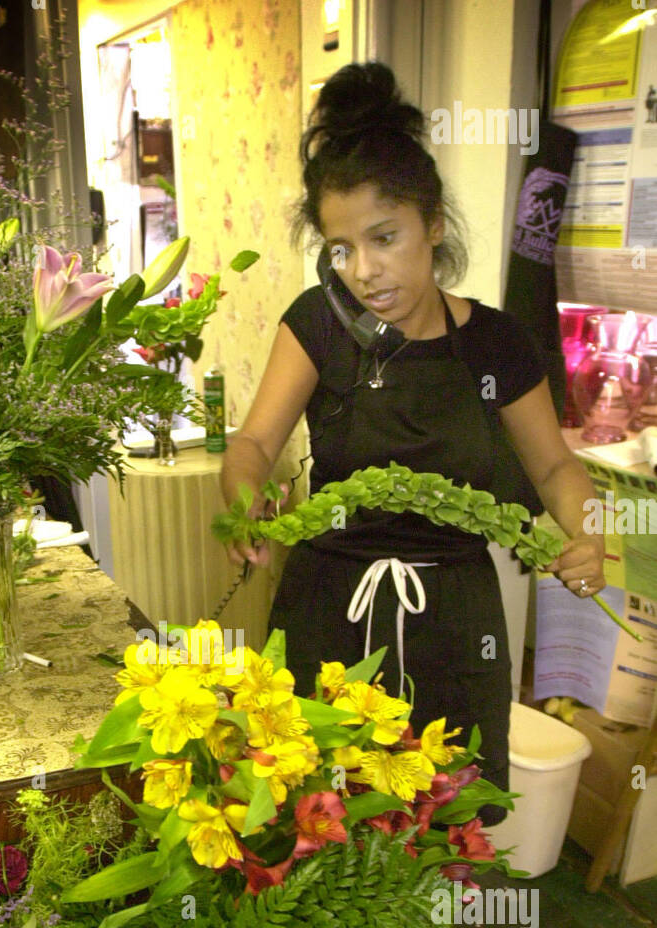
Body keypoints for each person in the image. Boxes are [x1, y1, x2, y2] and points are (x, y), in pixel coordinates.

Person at [218, 62, 605, 825]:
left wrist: (585, 529)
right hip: (328, 610)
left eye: (384, 238)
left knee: (440, 830)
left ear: (432, 224)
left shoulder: (497, 343)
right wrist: (245, 496)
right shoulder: (320, 325)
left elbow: (556, 467)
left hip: (454, 629)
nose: (364, 270)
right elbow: (254, 443)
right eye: (341, 248)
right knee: (316, 829)